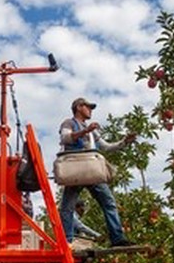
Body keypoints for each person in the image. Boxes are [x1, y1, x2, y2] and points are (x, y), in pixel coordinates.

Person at [58, 96, 135, 246]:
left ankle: (117, 238)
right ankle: (67, 241)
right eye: (88, 107)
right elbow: (65, 138)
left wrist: (124, 142)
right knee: (67, 208)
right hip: (77, 169)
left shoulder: (92, 131)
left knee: (109, 203)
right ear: (79, 107)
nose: (90, 110)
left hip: (91, 170)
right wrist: (85, 130)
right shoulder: (69, 123)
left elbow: (106, 147)